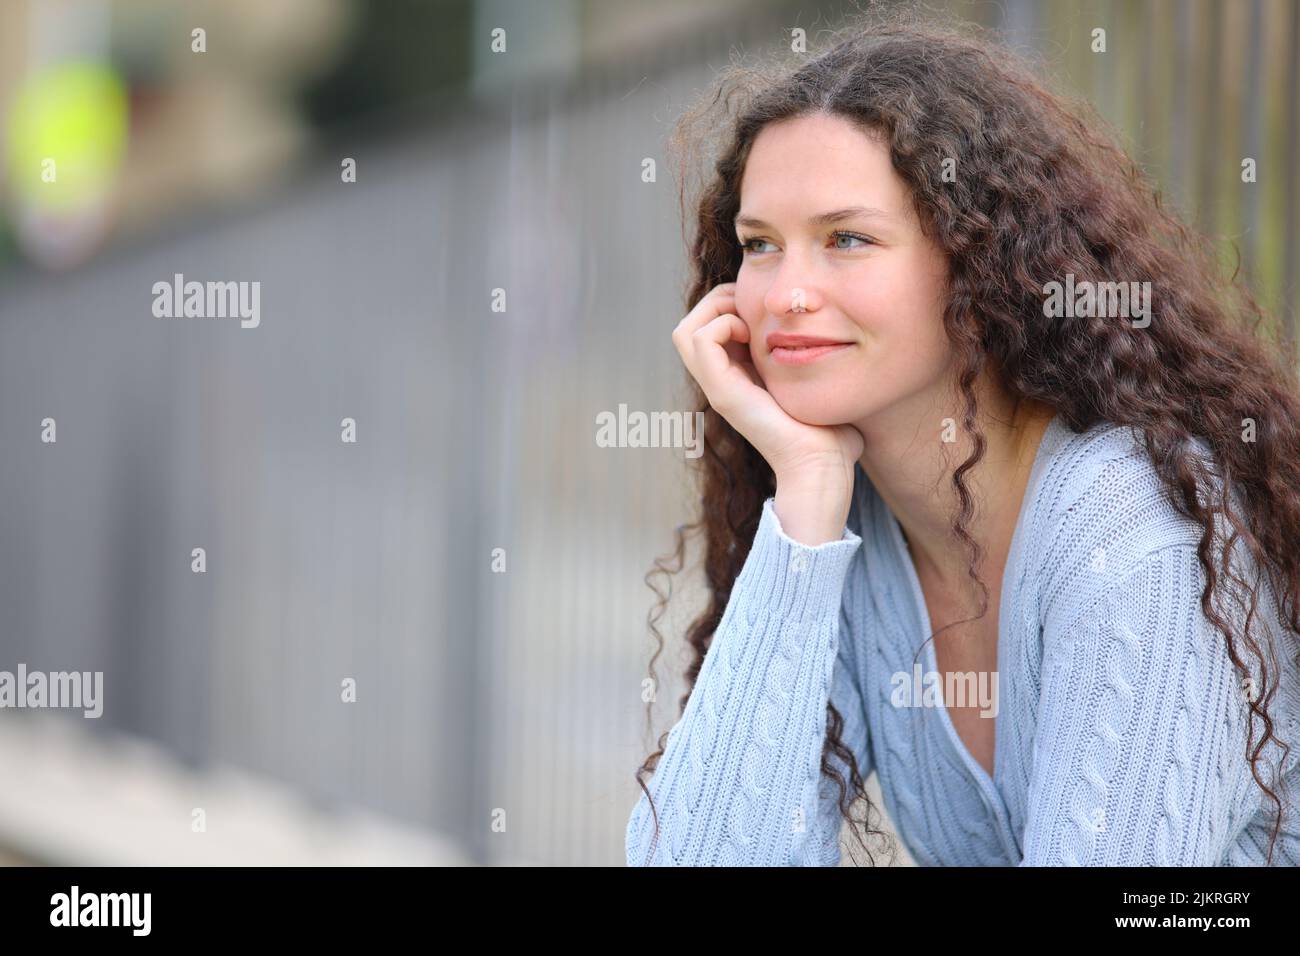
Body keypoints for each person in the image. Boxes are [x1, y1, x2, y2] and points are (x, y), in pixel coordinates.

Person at [625, 11, 1300, 866]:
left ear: (979, 261)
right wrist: (802, 502)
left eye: (847, 239)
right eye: (760, 246)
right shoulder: (849, 524)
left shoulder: (1134, 532)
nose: (784, 295)